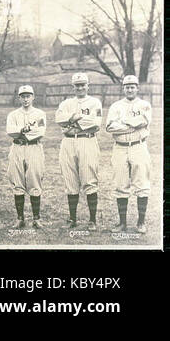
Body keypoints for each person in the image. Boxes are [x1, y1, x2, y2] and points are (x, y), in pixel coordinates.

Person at [54, 73, 103, 229]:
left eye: (83, 84)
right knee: (70, 180)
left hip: (87, 140)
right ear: (73, 87)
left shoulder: (95, 102)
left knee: (89, 179)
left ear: (88, 86)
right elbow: (58, 119)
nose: (80, 87)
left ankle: (92, 220)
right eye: (77, 85)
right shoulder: (66, 103)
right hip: (68, 142)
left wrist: (72, 120)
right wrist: (78, 117)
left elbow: (96, 123)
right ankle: (72, 219)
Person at [105, 75, 152, 234]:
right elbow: (110, 127)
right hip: (120, 147)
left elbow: (144, 122)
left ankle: (141, 222)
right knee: (120, 184)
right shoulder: (116, 106)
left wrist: (123, 122)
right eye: (127, 86)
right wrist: (132, 124)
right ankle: (122, 223)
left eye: (133, 86)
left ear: (138, 88)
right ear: (123, 88)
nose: (130, 89)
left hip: (139, 146)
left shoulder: (145, 105)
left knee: (142, 184)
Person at [5, 85, 45, 229]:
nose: (26, 99)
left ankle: (36, 218)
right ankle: (20, 218)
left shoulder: (40, 113)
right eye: (23, 96)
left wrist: (21, 133)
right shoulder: (13, 114)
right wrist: (22, 131)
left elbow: (40, 132)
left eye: (28, 96)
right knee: (18, 180)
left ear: (33, 97)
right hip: (17, 147)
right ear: (19, 98)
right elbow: (10, 131)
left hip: (34, 147)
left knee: (34, 179)